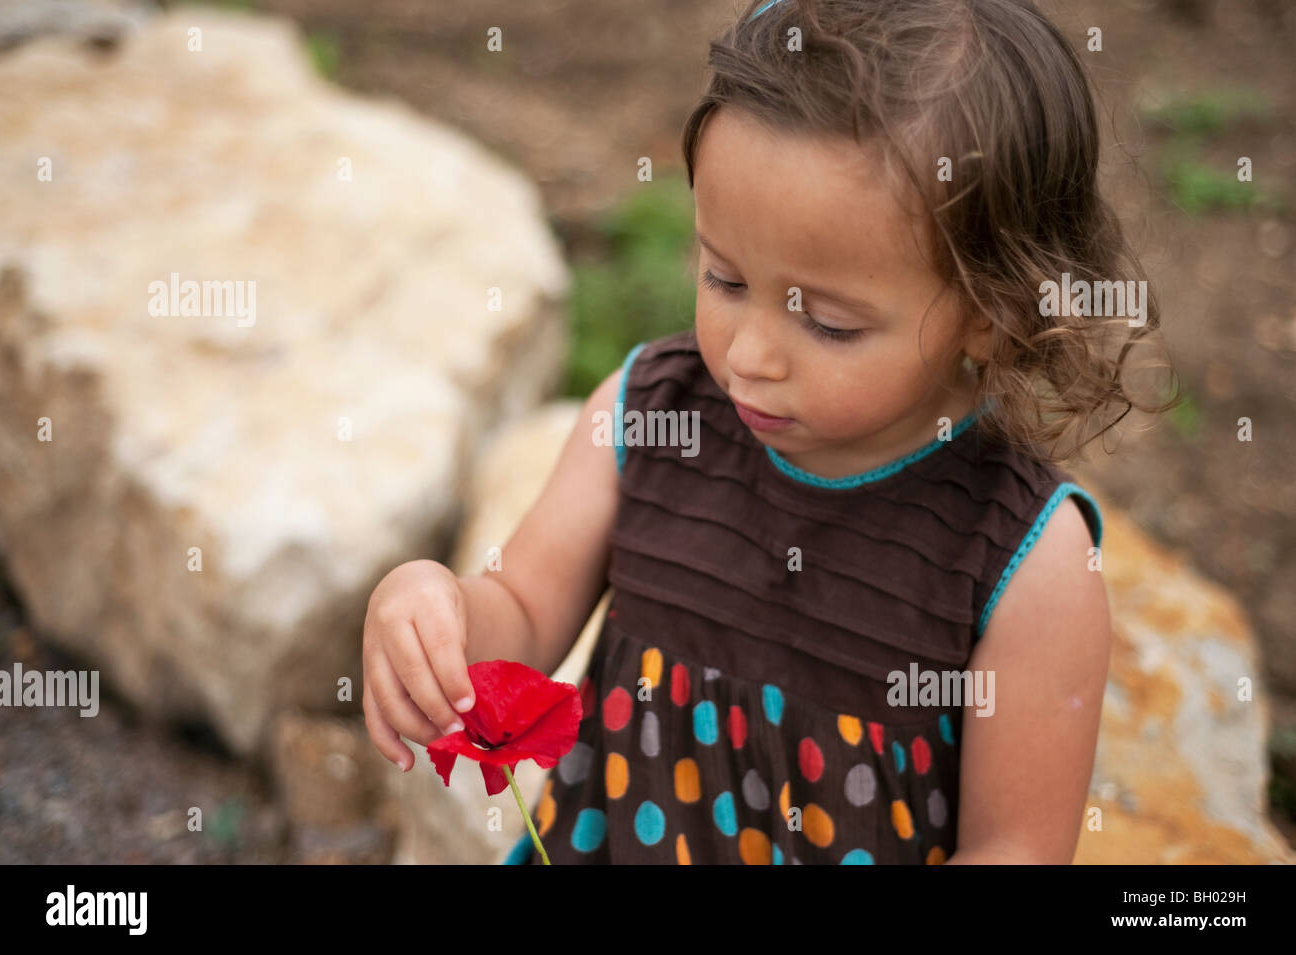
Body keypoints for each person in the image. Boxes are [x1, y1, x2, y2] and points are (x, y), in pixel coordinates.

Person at [363, 0, 1178, 864]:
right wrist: (429, 607)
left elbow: (1015, 849)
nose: (748, 355)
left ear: (994, 313)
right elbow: (520, 614)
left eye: (827, 323)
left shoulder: (1022, 562)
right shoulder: (647, 416)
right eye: (723, 278)